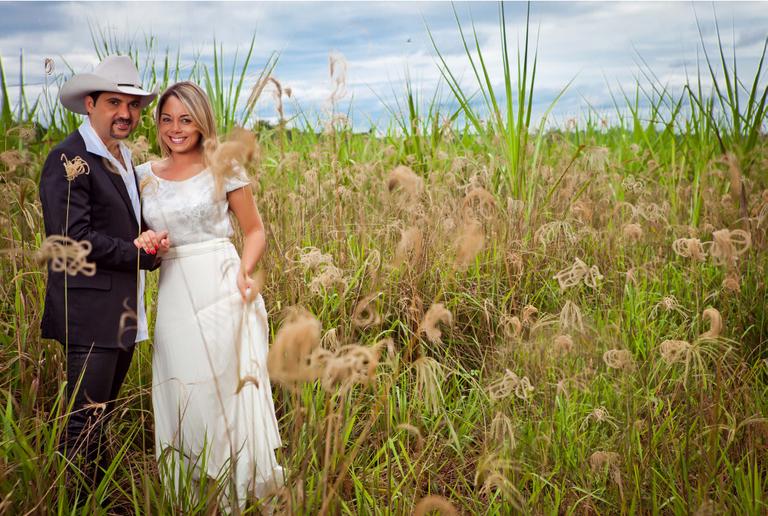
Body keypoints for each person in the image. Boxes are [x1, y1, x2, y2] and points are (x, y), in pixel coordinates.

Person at [133, 81, 283, 508]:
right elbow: (135, 234)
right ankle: (193, 495)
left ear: (201, 122)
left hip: (222, 282)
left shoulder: (224, 168)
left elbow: (255, 231)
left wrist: (245, 272)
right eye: (167, 119)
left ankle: (239, 487)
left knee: (226, 391)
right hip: (174, 289)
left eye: (185, 120)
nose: (175, 129)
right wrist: (145, 241)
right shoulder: (142, 176)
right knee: (183, 388)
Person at [38, 55, 168, 485]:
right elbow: (72, 239)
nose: (125, 113)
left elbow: (124, 227)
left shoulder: (123, 158)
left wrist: (150, 242)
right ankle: (75, 503)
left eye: (132, 105)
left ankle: (98, 496)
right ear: (90, 104)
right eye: (114, 103)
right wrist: (137, 252)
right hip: (89, 314)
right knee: (84, 422)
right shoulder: (68, 159)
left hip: (122, 313)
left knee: (101, 417)